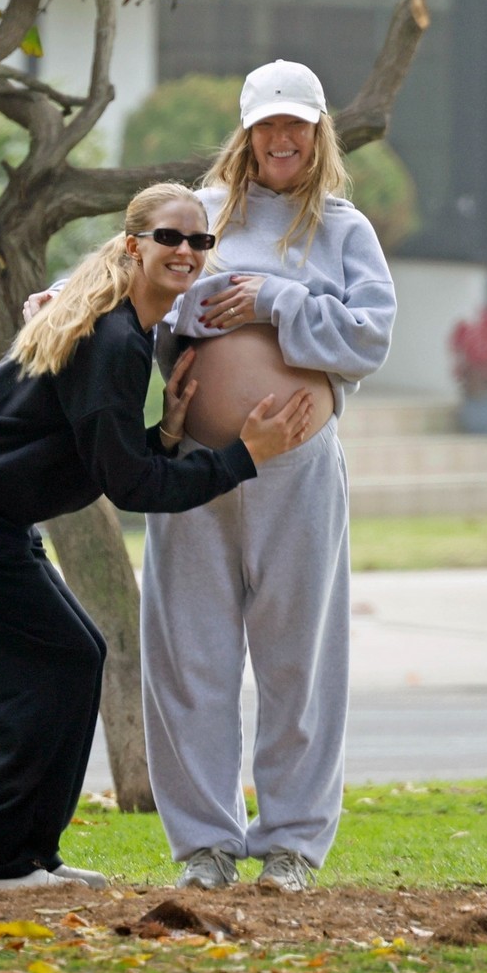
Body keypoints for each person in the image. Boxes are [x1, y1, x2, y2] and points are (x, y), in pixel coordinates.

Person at [0, 182, 314, 897]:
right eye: (170, 237)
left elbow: (103, 455)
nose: (187, 252)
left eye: (200, 242)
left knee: (72, 658)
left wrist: (166, 434)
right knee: (43, 674)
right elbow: (133, 489)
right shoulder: (113, 338)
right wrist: (244, 458)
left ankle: (24, 857)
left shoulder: (119, 327)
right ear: (134, 244)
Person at [141, 60, 396, 892]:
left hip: (297, 472)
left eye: (298, 124)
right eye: (267, 125)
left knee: (300, 658)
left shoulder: (346, 229)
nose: (282, 138)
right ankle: (205, 847)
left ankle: (290, 844)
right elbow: (127, 278)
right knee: (191, 654)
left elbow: (368, 339)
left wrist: (273, 302)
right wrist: (54, 298)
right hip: (195, 470)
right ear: (246, 133)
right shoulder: (202, 217)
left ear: (320, 131)